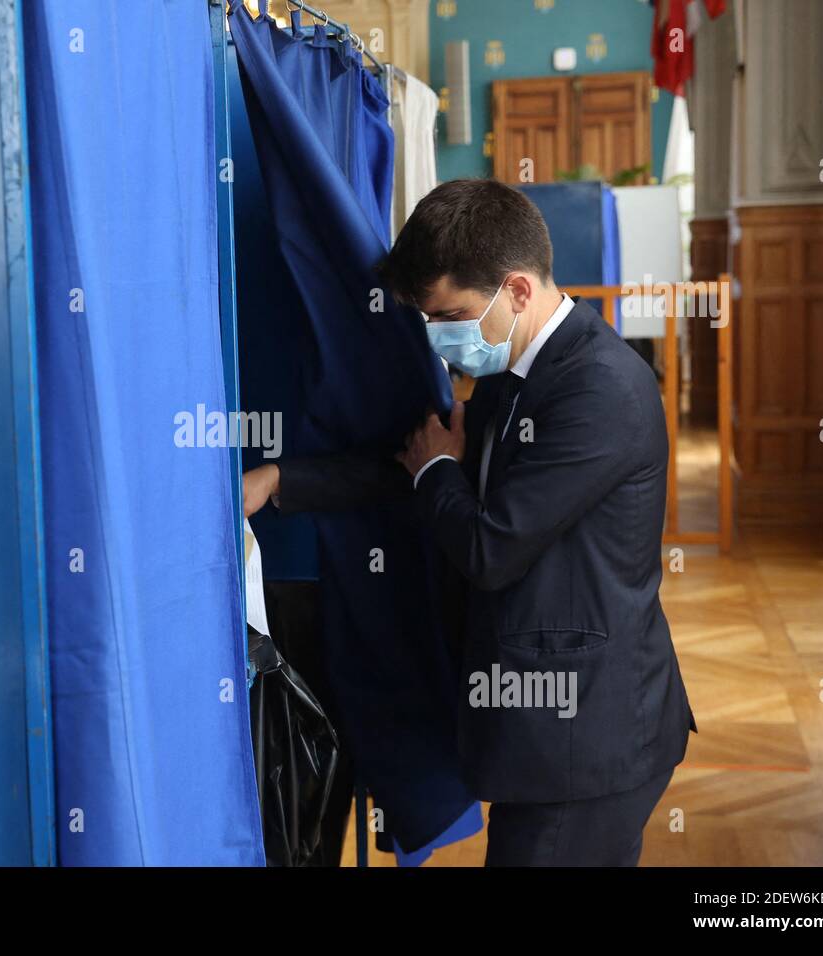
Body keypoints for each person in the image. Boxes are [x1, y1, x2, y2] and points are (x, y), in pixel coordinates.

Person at [243, 178, 695, 866]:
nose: (438, 336)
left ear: (516, 290)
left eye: (448, 314)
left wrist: (435, 471)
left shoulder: (601, 389)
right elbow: (419, 463)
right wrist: (283, 479)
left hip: (584, 741)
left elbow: (488, 545)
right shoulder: (515, 372)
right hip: (542, 727)